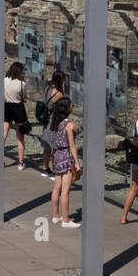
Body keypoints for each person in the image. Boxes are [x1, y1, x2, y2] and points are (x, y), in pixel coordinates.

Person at [46, 97, 81, 228]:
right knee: (65, 191)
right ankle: (66, 220)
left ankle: (56, 215)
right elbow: (72, 145)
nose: (72, 106)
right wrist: (77, 162)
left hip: (57, 155)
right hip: (66, 156)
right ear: (67, 108)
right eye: (71, 105)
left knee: (56, 188)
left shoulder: (55, 123)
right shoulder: (69, 125)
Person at [39, 70, 66, 179]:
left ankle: (45, 168)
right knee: (55, 147)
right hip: (54, 122)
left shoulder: (47, 89)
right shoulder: (59, 93)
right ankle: (55, 171)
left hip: (46, 121)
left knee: (46, 147)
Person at [3, 62, 28, 171]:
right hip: (18, 107)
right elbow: (24, 98)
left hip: (6, 106)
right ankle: (21, 162)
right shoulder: (22, 84)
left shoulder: (4, 80)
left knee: (4, 133)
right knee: (20, 136)